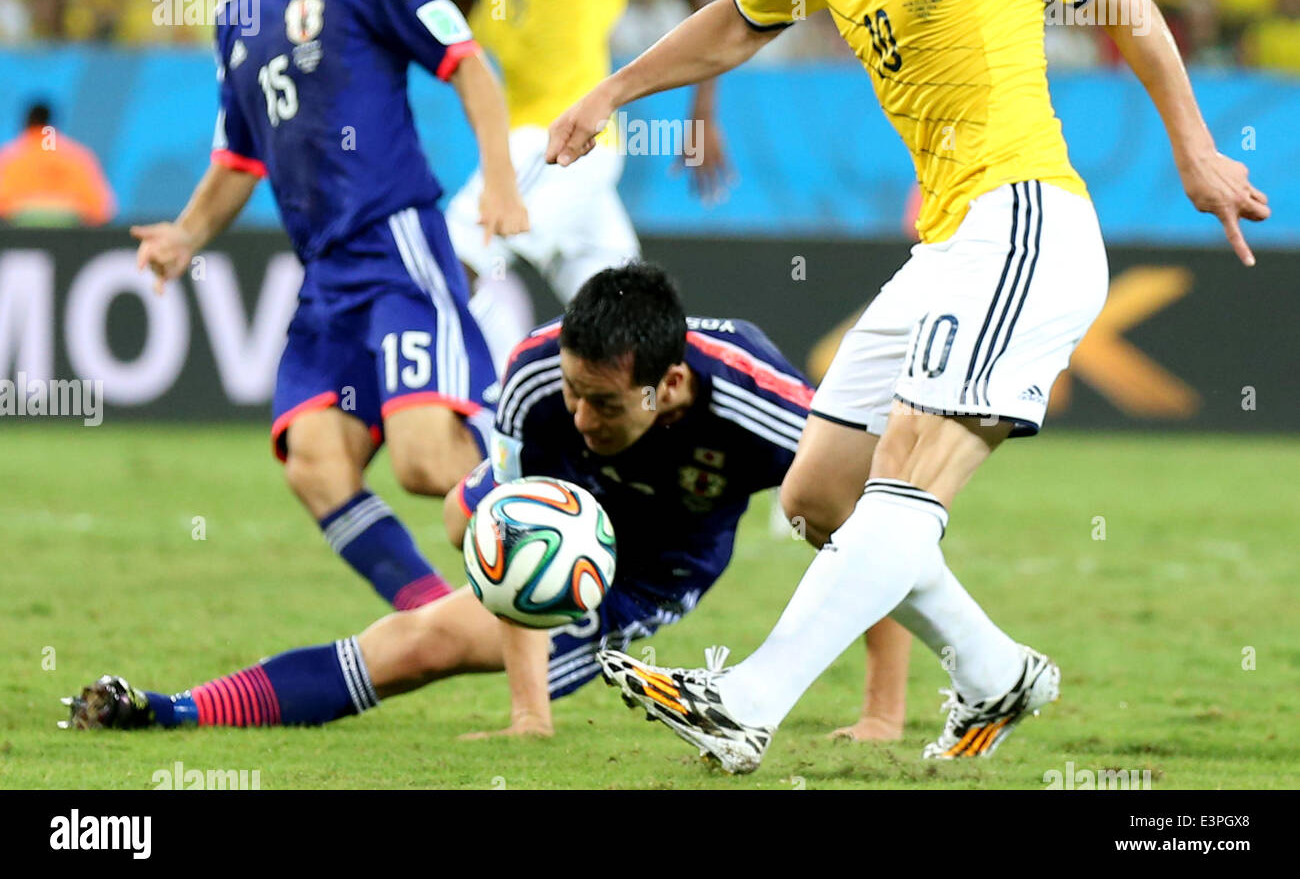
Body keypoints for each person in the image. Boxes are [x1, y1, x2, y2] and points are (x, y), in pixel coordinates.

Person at [548, 0, 1269, 771]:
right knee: (819, 495)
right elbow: (738, 22)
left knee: (911, 480)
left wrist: (1194, 150)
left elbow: (1125, 3)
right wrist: (614, 88)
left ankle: (744, 701)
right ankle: (994, 674)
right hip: (944, 242)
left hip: (1025, 217)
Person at [61, 263, 909, 737]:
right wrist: (527, 713)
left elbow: (868, 529)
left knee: (428, 642)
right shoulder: (539, 378)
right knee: (460, 536)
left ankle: (170, 714)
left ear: (671, 386)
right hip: (561, 518)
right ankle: (171, 715)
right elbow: (518, 537)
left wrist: (880, 711)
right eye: (574, 394)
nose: (578, 416)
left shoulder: (762, 405)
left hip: (656, 565)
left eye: (604, 405)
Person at [131, 0, 528, 614]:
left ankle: (546, 498)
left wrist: (498, 180)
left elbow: (468, 62)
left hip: (395, 249)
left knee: (426, 462)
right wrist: (184, 237)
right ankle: (432, 623)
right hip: (324, 278)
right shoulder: (237, 14)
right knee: (314, 464)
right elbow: (240, 157)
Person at [437, 0, 730, 371]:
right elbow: (448, 19)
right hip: (521, 136)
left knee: (453, 264)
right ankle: (665, 426)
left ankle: (460, 414)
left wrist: (702, 111)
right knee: (625, 331)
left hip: (573, 137)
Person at [0, 102, 116, 225]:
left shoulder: (10, 156)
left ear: (26, 123)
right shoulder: (77, 155)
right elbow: (101, 209)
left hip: (18, 238)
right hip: (72, 237)